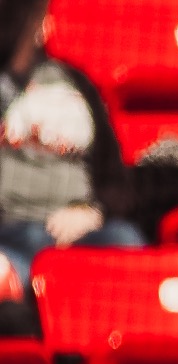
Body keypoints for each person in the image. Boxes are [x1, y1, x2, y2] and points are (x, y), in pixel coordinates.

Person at [0, 0, 143, 291]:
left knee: (126, 242)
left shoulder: (76, 83)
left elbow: (115, 177)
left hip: (81, 233)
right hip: (10, 235)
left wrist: (94, 211)